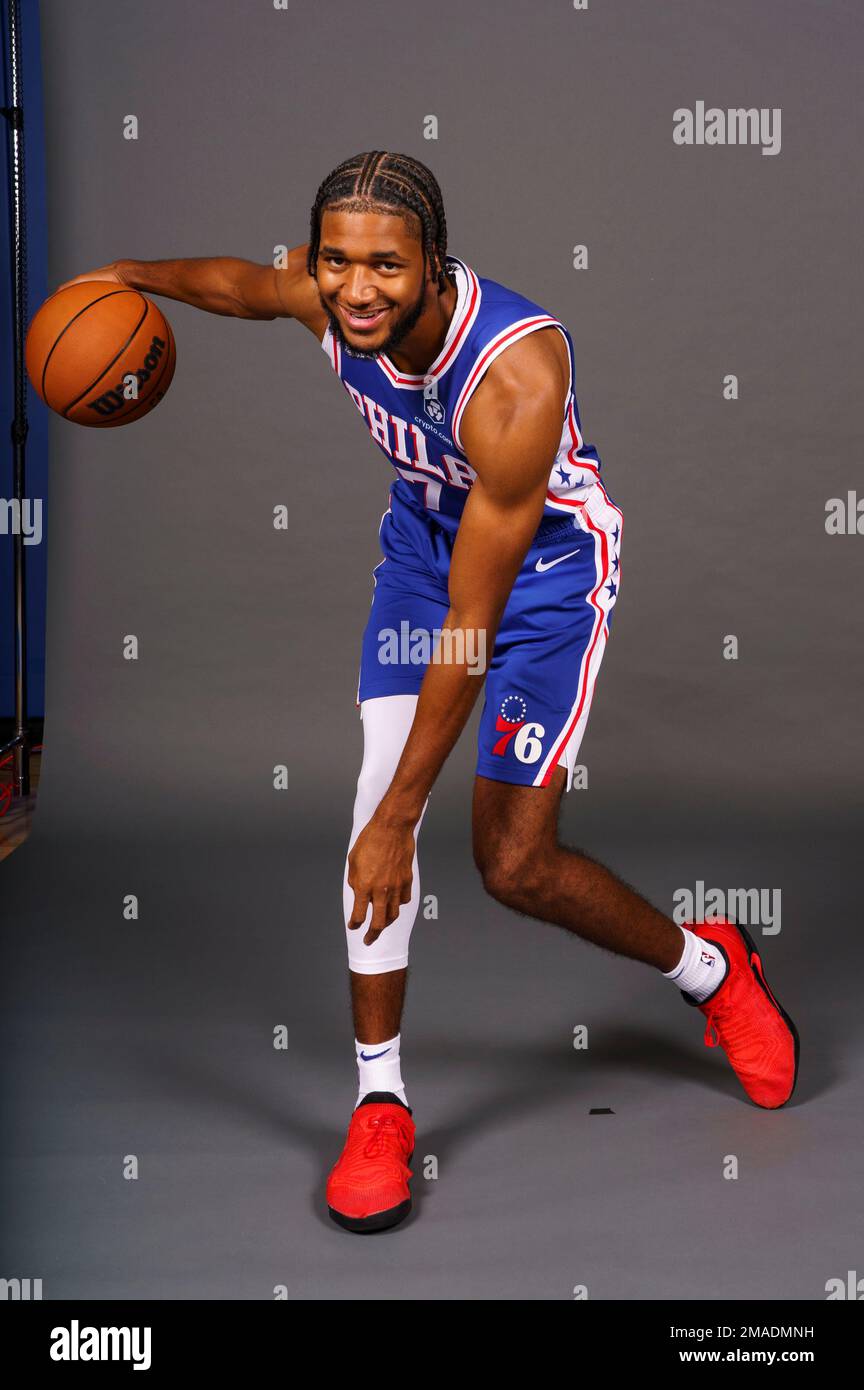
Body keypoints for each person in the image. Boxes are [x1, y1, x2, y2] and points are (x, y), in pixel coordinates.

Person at [58, 150, 799, 1235]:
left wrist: (409, 820)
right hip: (424, 551)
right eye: (336, 262)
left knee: (513, 864)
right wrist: (121, 276)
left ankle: (711, 967)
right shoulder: (322, 292)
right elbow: (233, 284)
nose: (357, 289)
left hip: (542, 576)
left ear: (436, 264)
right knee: (370, 807)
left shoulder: (515, 373)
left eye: (386, 268)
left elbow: (470, 626)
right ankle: (381, 1099)